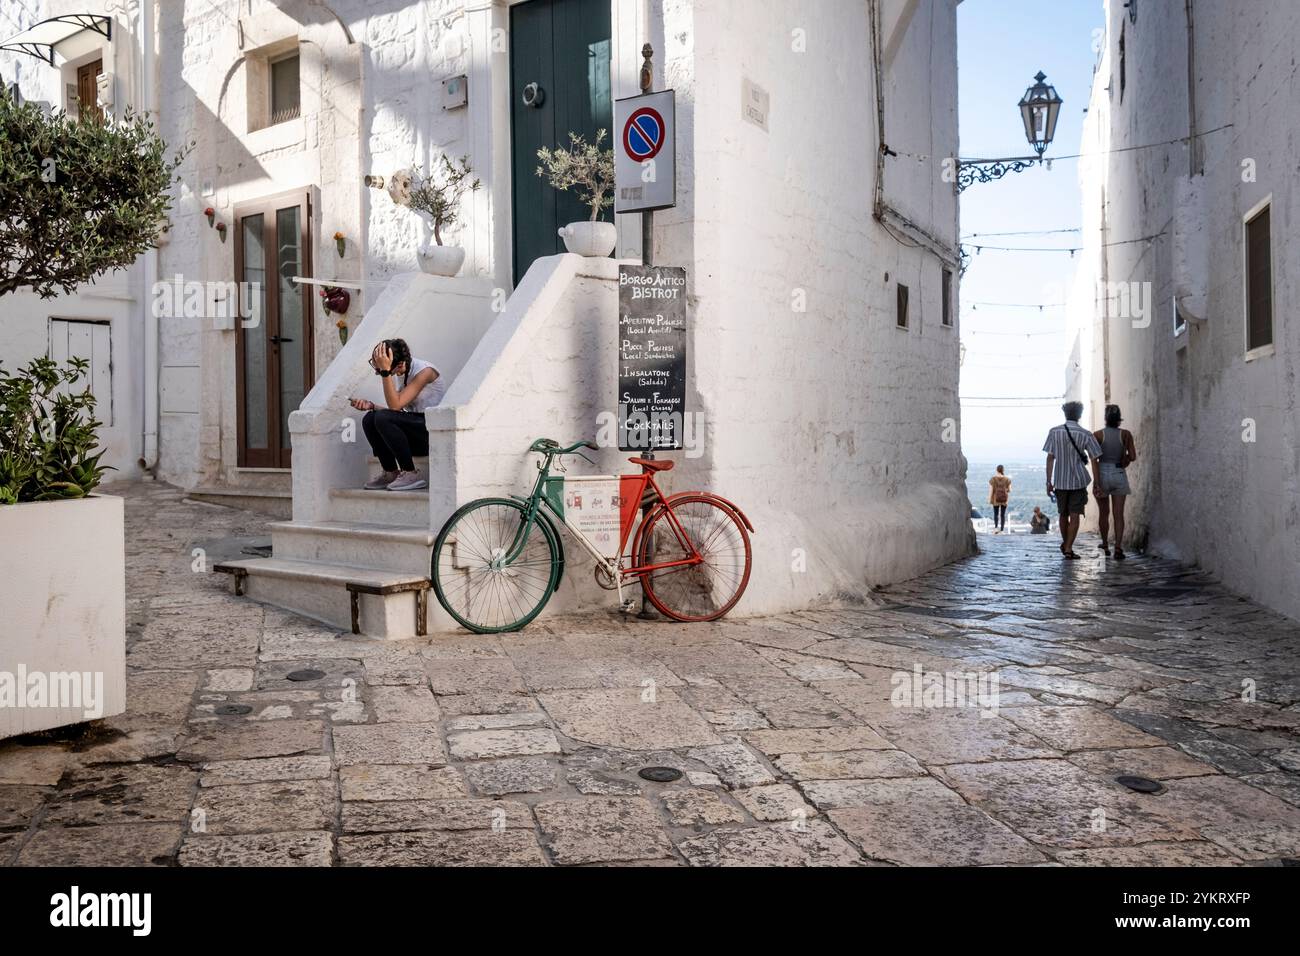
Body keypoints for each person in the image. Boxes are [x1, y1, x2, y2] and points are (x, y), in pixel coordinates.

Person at [349, 338, 445, 492]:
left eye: (379, 367)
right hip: (415, 429)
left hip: (431, 433)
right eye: (377, 366)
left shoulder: (425, 371)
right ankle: (390, 472)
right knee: (370, 417)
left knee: (382, 417)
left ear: (399, 364)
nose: (376, 371)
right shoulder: (402, 373)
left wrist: (385, 372)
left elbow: (395, 406)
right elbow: (397, 411)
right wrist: (372, 406)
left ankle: (410, 473)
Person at [1043, 400, 1102, 559]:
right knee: (1075, 514)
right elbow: (1095, 458)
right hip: (1078, 481)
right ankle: (1068, 547)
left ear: (1065, 413)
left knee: (1063, 514)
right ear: (1080, 415)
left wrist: (1049, 481)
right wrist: (1097, 482)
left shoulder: (1054, 432)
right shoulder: (1086, 434)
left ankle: (1067, 545)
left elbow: (1050, 458)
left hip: (1060, 481)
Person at [1093, 404, 1137, 559]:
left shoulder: (1097, 435)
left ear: (1105, 418)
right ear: (1119, 419)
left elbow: (1094, 460)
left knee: (1103, 513)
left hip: (1103, 473)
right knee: (1119, 514)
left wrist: (1097, 483)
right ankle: (1118, 548)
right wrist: (1123, 461)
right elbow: (1132, 456)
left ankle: (1105, 544)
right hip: (1119, 473)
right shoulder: (1125, 434)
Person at [988, 465, 1011, 534]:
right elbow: (1010, 490)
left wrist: (989, 499)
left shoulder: (993, 479)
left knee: (996, 514)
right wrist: (1004, 490)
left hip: (995, 499)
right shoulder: (1007, 479)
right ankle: (1002, 530)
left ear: (997, 470)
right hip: (1004, 499)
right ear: (1003, 470)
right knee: (1002, 515)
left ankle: (996, 528)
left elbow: (991, 490)